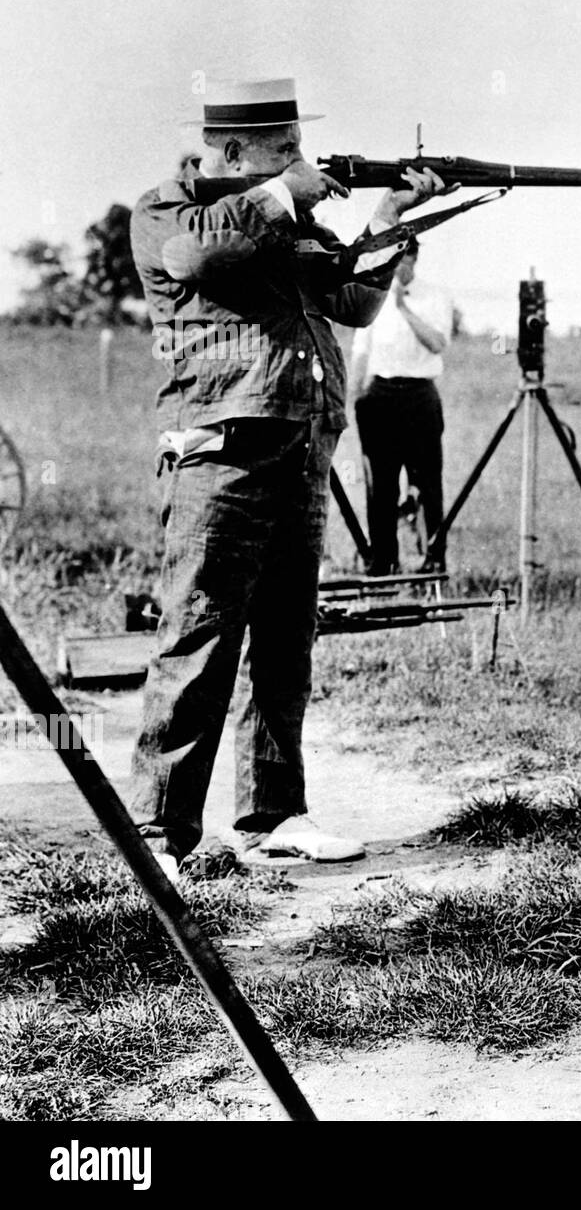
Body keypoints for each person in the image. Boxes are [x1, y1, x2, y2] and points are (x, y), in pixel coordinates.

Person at [128, 77, 454, 883]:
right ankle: (159, 835)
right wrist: (281, 193)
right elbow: (197, 256)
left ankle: (273, 815)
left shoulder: (287, 221)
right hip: (221, 454)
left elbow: (351, 300)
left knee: (284, 645)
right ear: (234, 152)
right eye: (286, 153)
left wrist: (386, 220)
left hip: (302, 449)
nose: (302, 165)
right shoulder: (171, 210)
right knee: (200, 639)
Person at [350, 239, 452, 575]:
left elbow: (437, 343)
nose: (395, 269)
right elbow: (361, 351)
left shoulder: (435, 295)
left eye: (401, 261)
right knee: (380, 486)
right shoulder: (373, 296)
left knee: (427, 484)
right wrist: (354, 396)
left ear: (414, 259)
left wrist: (404, 308)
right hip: (380, 396)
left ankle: (433, 561)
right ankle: (383, 562)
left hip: (420, 396)